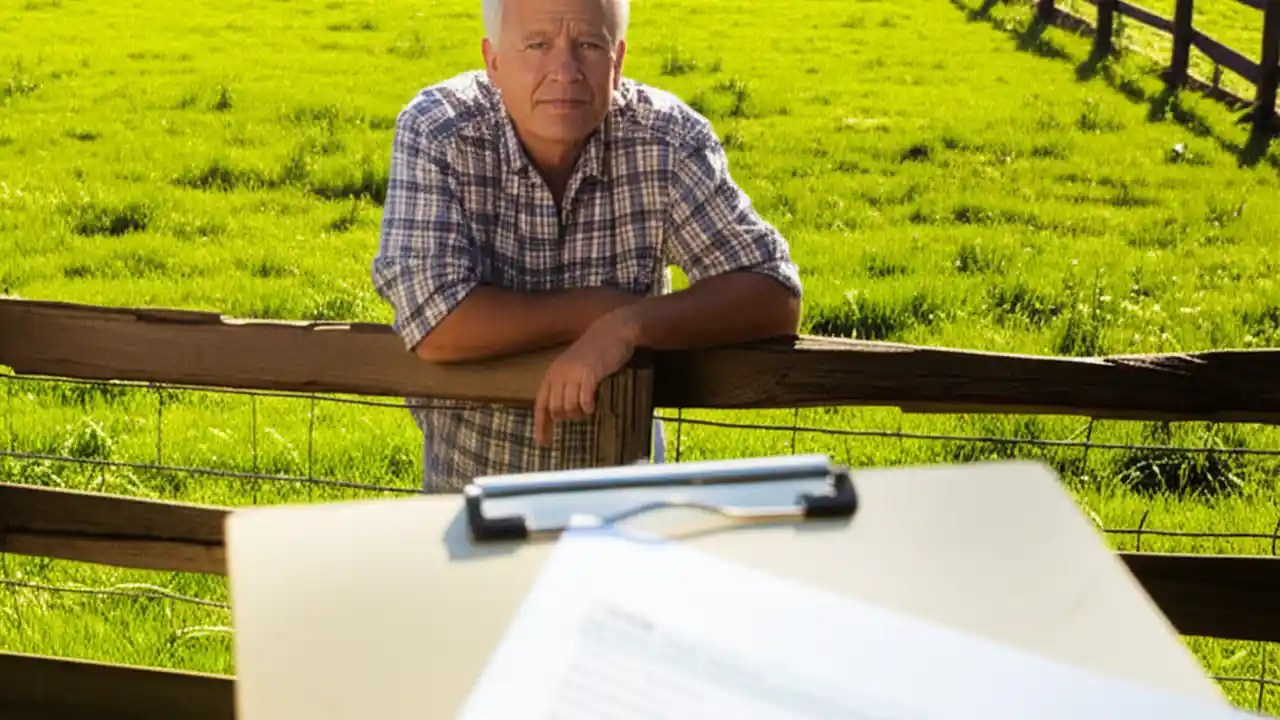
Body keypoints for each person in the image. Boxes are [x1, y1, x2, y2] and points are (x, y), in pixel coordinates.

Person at [371, 0, 803, 491]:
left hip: (628, 495)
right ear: (492, 61)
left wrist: (627, 326)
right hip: (471, 494)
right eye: (537, 44)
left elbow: (774, 294)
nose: (565, 71)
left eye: (589, 46)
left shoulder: (666, 139)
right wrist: (594, 312)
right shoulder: (440, 131)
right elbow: (435, 322)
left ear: (617, 60)